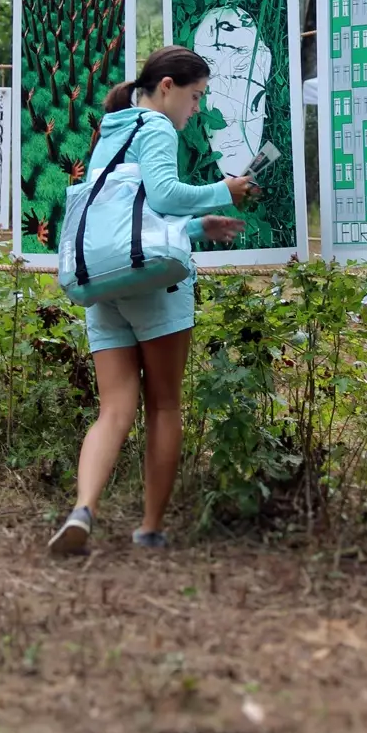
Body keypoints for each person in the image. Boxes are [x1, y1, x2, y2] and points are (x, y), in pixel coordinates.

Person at [49, 46, 257, 558]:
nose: (196, 108)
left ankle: (84, 508)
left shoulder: (112, 129)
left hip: (105, 283)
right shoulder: (157, 126)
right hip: (154, 287)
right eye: (195, 95)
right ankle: (149, 528)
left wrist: (195, 228)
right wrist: (223, 191)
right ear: (167, 86)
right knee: (163, 405)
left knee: (114, 408)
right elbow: (162, 194)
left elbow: (128, 218)